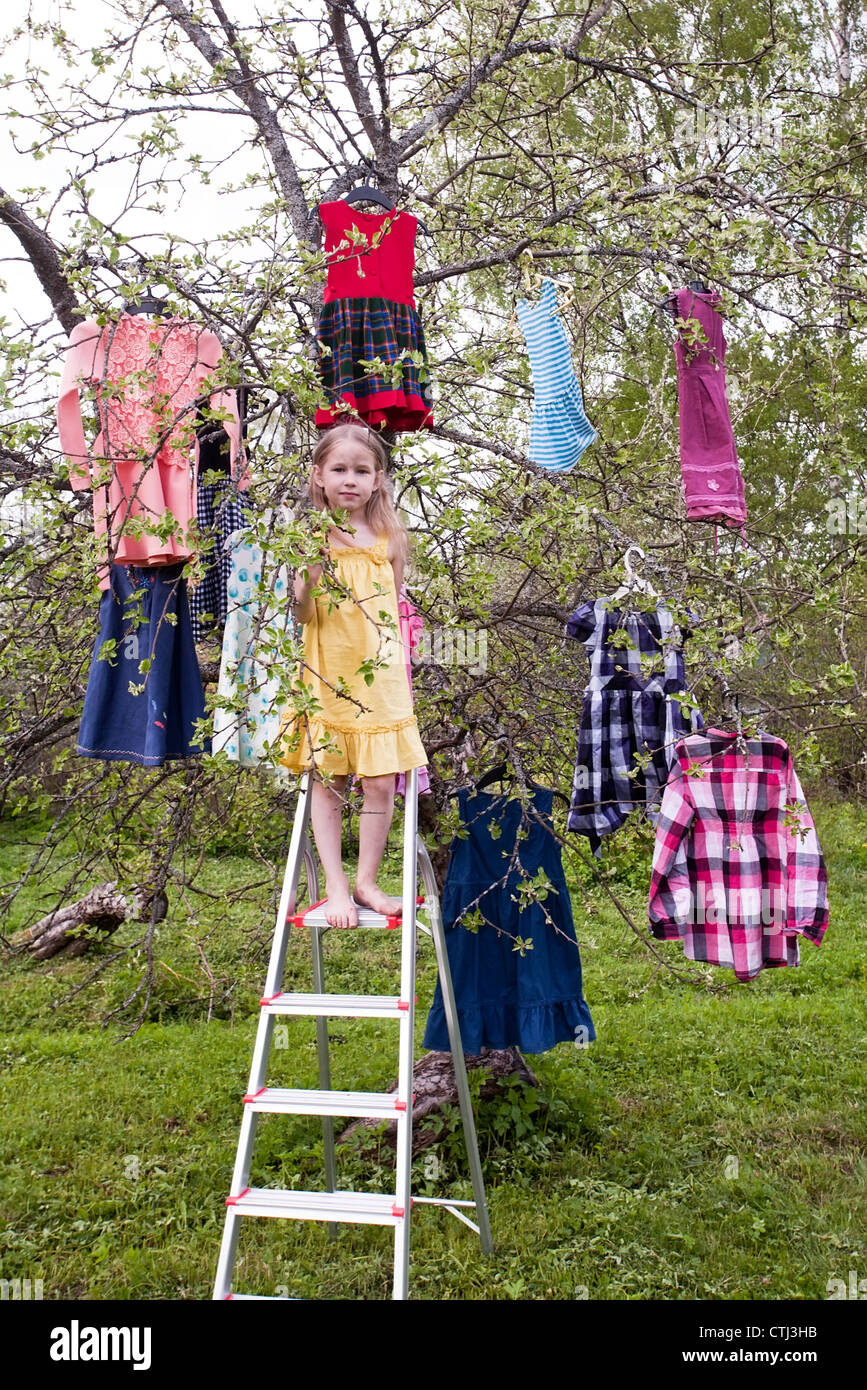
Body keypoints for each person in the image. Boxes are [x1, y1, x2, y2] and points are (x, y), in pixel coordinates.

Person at [280, 424, 427, 928]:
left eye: (361, 471)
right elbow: (300, 616)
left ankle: (367, 881)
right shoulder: (311, 538)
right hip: (329, 677)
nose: (350, 480)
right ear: (318, 476)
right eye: (339, 470)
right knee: (329, 781)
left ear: (378, 479)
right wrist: (308, 580)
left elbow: (394, 610)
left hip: (381, 679)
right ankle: (337, 888)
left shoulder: (390, 538)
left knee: (382, 782)